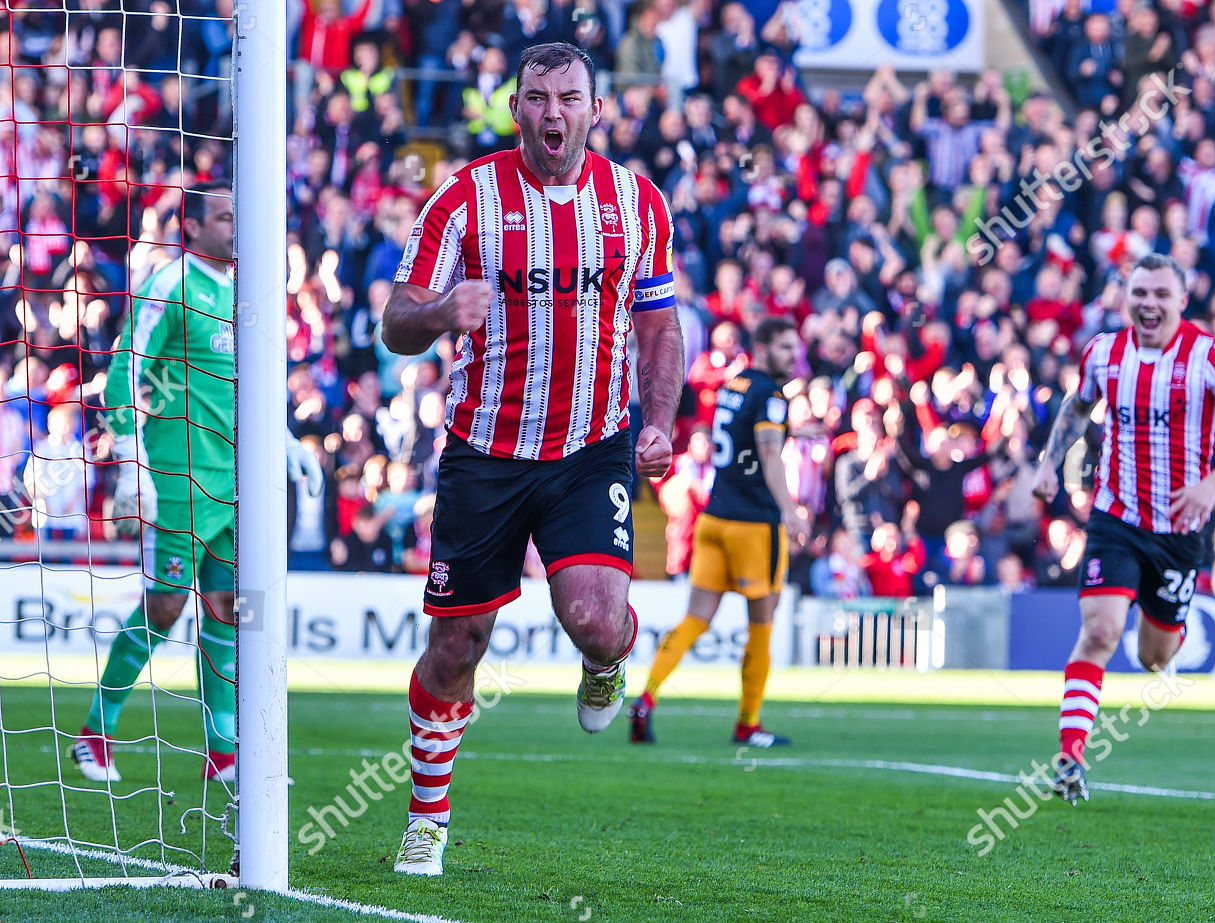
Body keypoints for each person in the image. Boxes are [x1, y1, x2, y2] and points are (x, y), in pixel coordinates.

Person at [379, 42, 684, 877]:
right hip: (485, 451)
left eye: (570, 98)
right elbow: (395, 322)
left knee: (594, 617)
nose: (555, 113)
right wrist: (442, 310)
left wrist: (657, 421)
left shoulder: (637, 203)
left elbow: (660, 327)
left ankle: (607, 661)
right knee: (457, 645)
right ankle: (428, 818)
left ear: (597, 108)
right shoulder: (463, 198)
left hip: (592, 448)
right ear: (516, 108)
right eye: (539, 98)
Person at [72, 183, 323, 784]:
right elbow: (125, 370)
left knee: (231, 610)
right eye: (223, 217)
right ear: (191, 227)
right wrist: (132, 457)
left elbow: (255, 383)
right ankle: (95, 731)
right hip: (178, 473)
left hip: (238, 480)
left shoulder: (248, 290)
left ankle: (225, 750)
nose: (236, 226)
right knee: (164, 605)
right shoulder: (171, 283)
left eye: (239, 215)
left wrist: (286, 441)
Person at [1031, 254, 1215, 804]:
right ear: (1126, 297)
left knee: (1155, 657)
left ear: (1182, 301)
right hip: (1115, 517)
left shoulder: (1211, 357)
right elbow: (1077, 406)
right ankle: (1071, 758)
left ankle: (1166, 630)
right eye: (1139, 292)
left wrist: (1213, 485)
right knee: (1098, 632)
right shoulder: (1103, 353)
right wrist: (1049, 461)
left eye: (1161, 294)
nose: (1149, 303)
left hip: (1179, 528)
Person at [626, 316, 809, 749]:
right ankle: (748, 723)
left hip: (714, 519)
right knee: (761, 626)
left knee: (695, 620)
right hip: (754, 525)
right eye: (785, 347)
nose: (793, 356)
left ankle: (646, 698)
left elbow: (743, 437)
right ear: (762, 348)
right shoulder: (771, 394)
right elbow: (767, 451)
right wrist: (791, 510)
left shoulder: (733, 386)